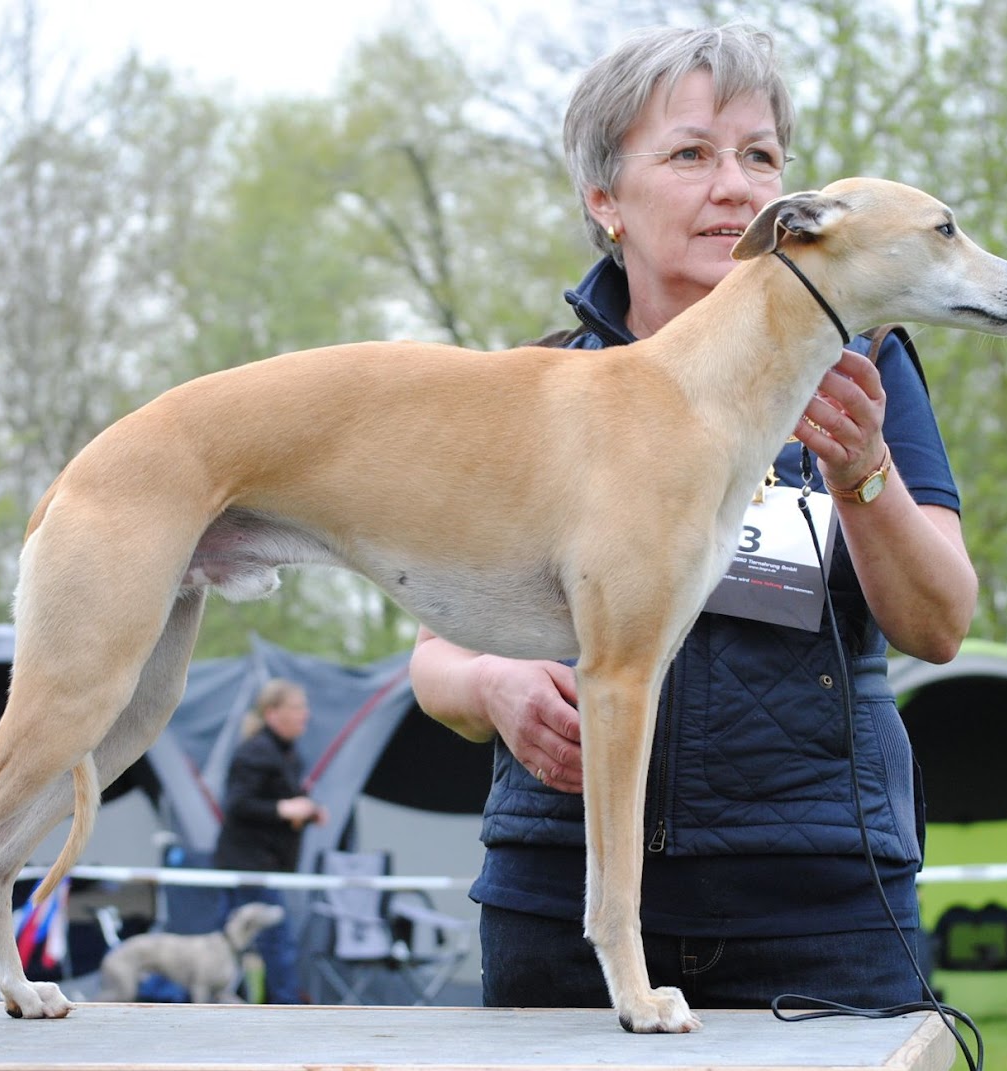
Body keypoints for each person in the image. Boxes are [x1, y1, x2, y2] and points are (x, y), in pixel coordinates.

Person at [409, 24, 977, 1010]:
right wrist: (494, 684)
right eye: (690, 154)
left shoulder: (865, 367)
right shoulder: (542, 380)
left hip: (821, 912)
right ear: (604, 199)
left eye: (760, 155)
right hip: (555, 906)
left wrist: (863, 471)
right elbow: (433, 660)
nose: (736, 186)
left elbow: (940, 624)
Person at [211, 678, 329, 1004]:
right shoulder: (255, 752)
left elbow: (279, 801)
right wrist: (284, 808)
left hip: (264, 865)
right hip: (249, 866)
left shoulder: (286, 753)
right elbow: (237, 804)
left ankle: (232, 1001)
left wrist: (308, 811)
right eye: (297, 707)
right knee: (275, 941)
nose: (305, 714)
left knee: (235, 942)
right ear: (272, 713)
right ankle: (286, 1007)